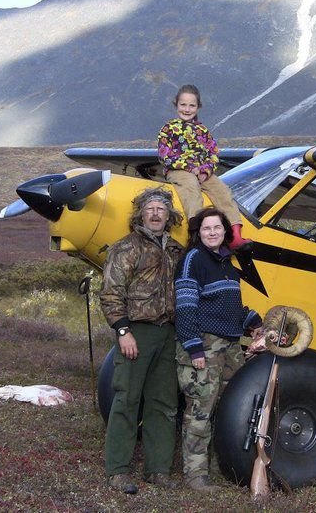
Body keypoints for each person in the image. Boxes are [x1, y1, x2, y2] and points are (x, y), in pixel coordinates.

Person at [99, 186, 185, 494]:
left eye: (161, 209)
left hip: (168, 332)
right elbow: (110, 292)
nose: (155, 213)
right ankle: (118, 470)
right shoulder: (126, 247)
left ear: (169, 215)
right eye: (149, 208)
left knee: (164, 403)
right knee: (127, 399)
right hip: (138, 332)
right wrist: (123, 330)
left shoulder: (177, 250)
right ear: (140, 214)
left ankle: (158, 469)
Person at [174, 206, 263, 491]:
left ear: (225, 231)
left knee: (230, 409)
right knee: (200, 411)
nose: (212, 233)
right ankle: (196, 476)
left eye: (216, 228)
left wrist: (253, 321)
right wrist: (193, 348)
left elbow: (229, 307)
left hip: (231, 346)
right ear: (198, 233)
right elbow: (186, 307)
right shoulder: (193, 259)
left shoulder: (227, 264)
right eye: (206, 229)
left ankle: (220, 467)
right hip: (204, 346)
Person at [157, 84, 251, 250]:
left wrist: (205, 170)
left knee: (223, 191)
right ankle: (195, 234)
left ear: (198, 107)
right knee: (192, 189)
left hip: (202, 173)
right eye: (183, 105)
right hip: (179, 171)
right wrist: (189, 167)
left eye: (191, 105)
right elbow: (165, 155)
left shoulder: (203, 130)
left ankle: (235, 235)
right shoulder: (168, 128)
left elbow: (213, 154)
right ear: (176, 105)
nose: (187, 109)